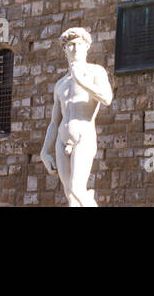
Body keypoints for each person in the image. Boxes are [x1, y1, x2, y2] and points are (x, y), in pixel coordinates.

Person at [41, 27, 113, 206]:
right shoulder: (61, 84)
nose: (75, 48)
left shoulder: (96, 72)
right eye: (70, 45)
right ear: (64, 50)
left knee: (76, 187)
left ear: (87, 47)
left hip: (83, 136)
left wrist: (82, 81)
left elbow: (107, 98)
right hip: (61, 140)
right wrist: (44, 151)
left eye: (79, 44)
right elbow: (54, 121)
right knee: (70, 195)